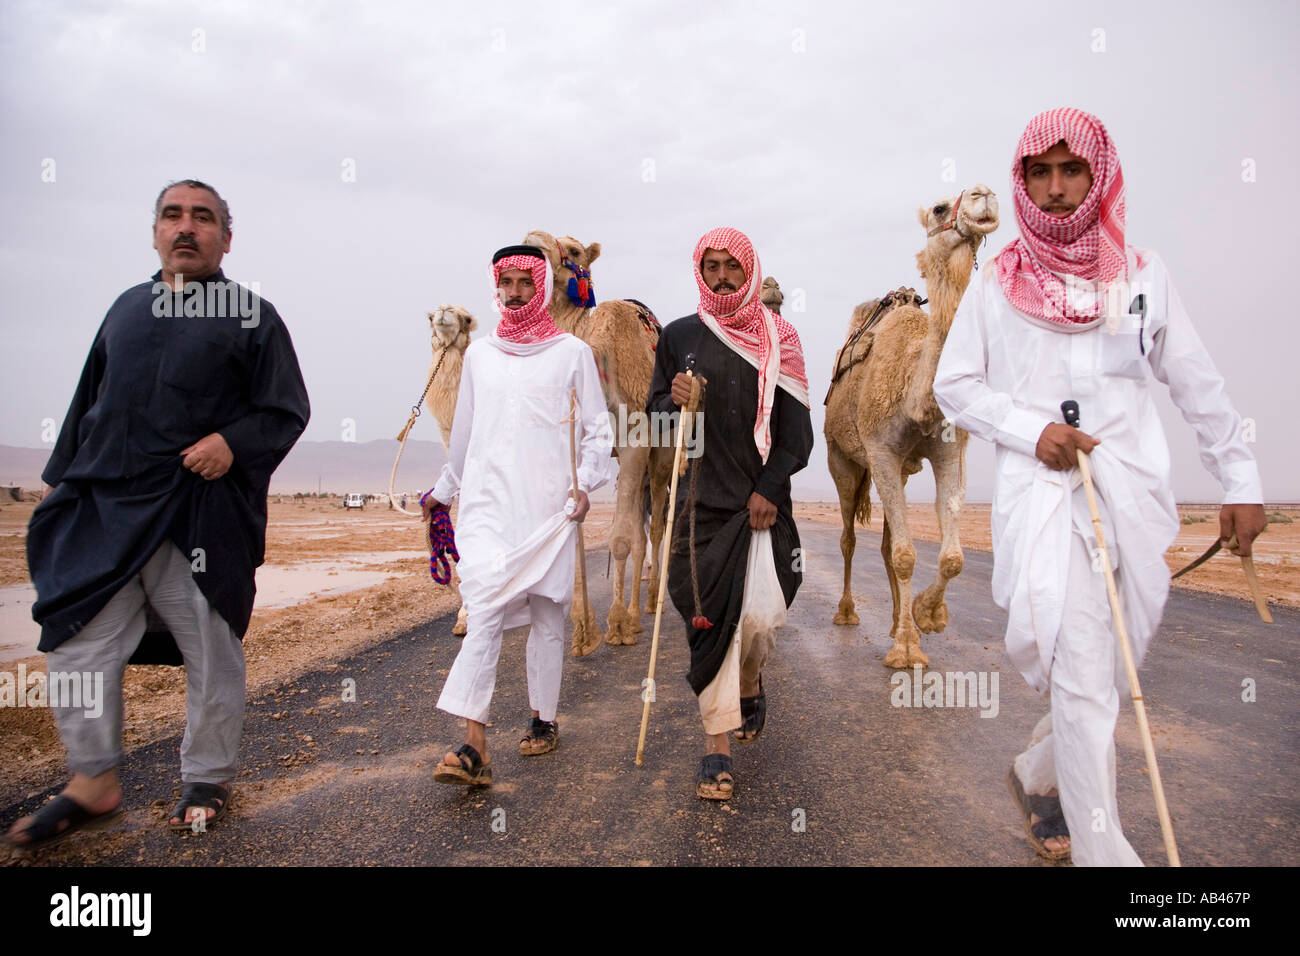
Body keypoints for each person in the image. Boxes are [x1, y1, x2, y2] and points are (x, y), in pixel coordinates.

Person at [933, 108, 1265, 865]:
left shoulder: (1142, 276)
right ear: (1023, 182)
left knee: (1112, 668)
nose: (1054, 190)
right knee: (1083, 677)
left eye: (1070, 170)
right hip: (1043, 502)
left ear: (1097, 174)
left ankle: (1037, 772)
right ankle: (1106, 855)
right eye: (1038, 173)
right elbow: (956, 387)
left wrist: (1239, 478)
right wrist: (1029, 430)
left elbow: (1195, 382)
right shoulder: (996, 283)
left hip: (1129, 502)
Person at [8, 180, 310, 848]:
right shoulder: (125, 310)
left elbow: (285, 410)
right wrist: (62, 491)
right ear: (154, 232)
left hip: (198, 516)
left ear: (225, 239)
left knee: (210, 650)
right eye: (172, 215)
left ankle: (206, 779)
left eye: (203, 218)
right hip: (108, 514)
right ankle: (93, 781)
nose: (186, 227)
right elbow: (88, 404)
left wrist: (232, 444)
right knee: (78, 643)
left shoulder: (251, 315)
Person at [427, 244, 614, 787]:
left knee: (547, 617)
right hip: (486, 510)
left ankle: (543, 717)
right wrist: (441, 492)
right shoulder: (480, 356)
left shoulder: (572, 353)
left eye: (522, 283)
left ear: (541, 287)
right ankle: (472, 743)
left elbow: (598, 432)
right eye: (504, 283)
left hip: (550, 509)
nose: (512, 292)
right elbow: (463, 439)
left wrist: (586, 486)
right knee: (482, 608)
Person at [647, 227, 813, 800]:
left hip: (762, 508)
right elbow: (655, 425)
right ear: (700, 271)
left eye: (732, 267)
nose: (722, 276)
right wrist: (675, 400)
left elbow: (797, 433)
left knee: (762, 621)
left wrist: (770, 487)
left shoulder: (779, 338)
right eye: (711, 266)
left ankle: (750, 679)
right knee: (707, 620)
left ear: (749, 272)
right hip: (698, 503)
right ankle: (716, 750)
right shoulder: (678, 336)